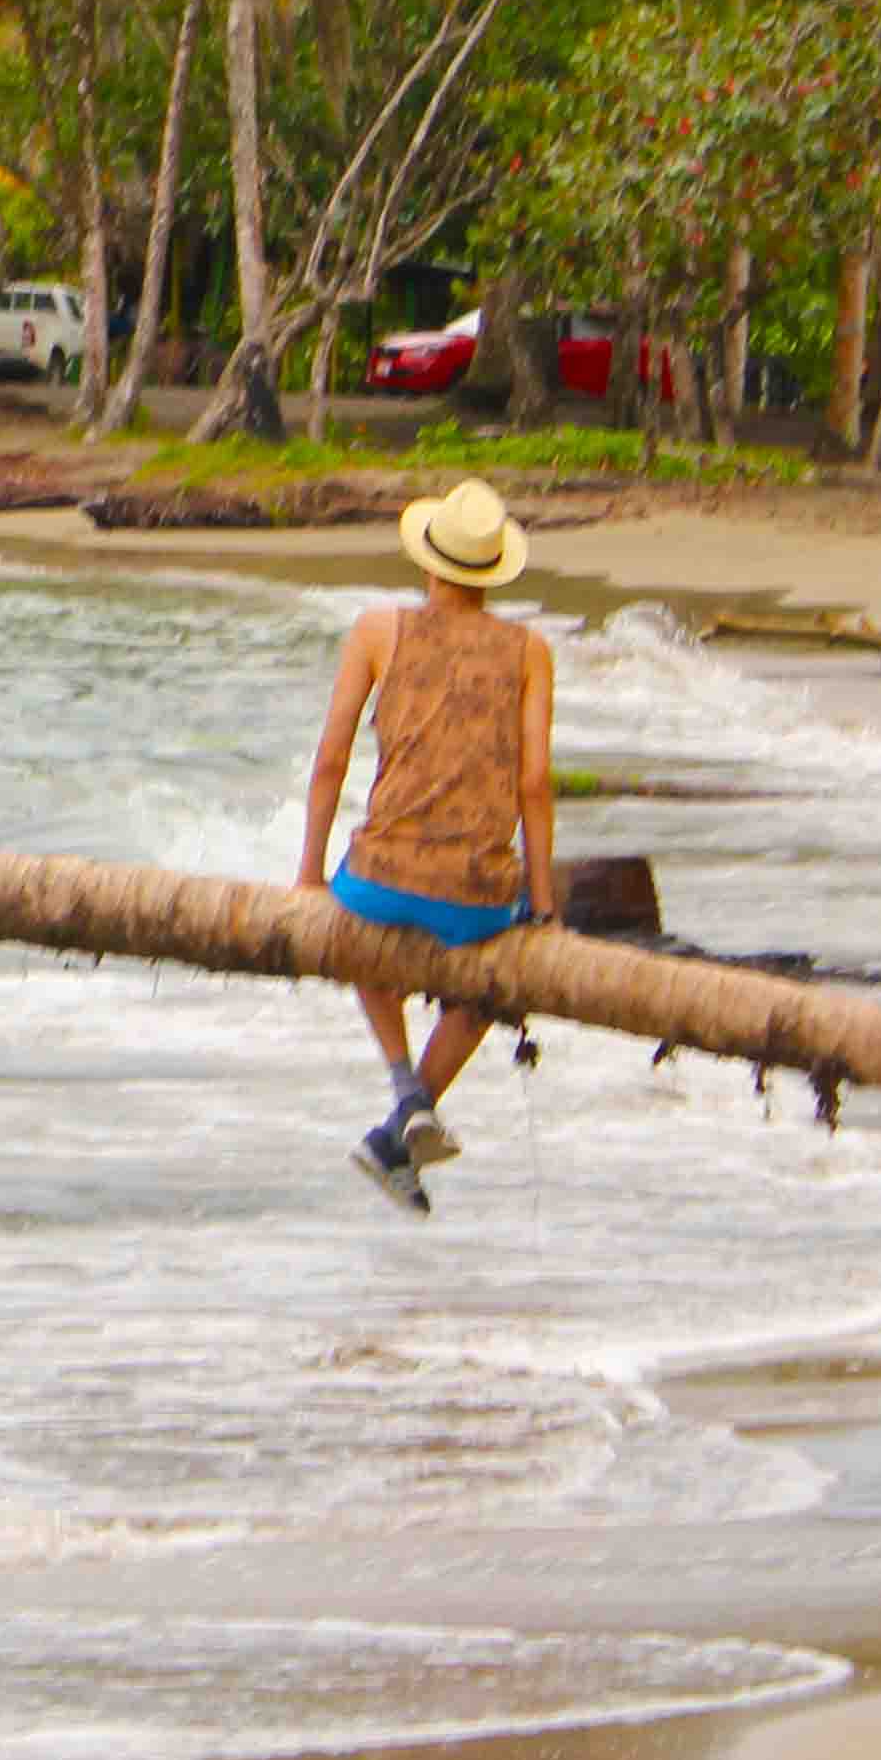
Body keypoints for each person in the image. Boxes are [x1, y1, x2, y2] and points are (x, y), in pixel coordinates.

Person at [293, 477, 558, 1214]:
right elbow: (534, 783)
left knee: (355, 932)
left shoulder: (379, 630)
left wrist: (311, 874)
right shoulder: (529, 650)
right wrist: (542, 902)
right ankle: (397, 1131)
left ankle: (404, 1089)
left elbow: (331, 758)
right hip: (476, 897)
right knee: (483, 991)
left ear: (430, 565)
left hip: (378, 877)